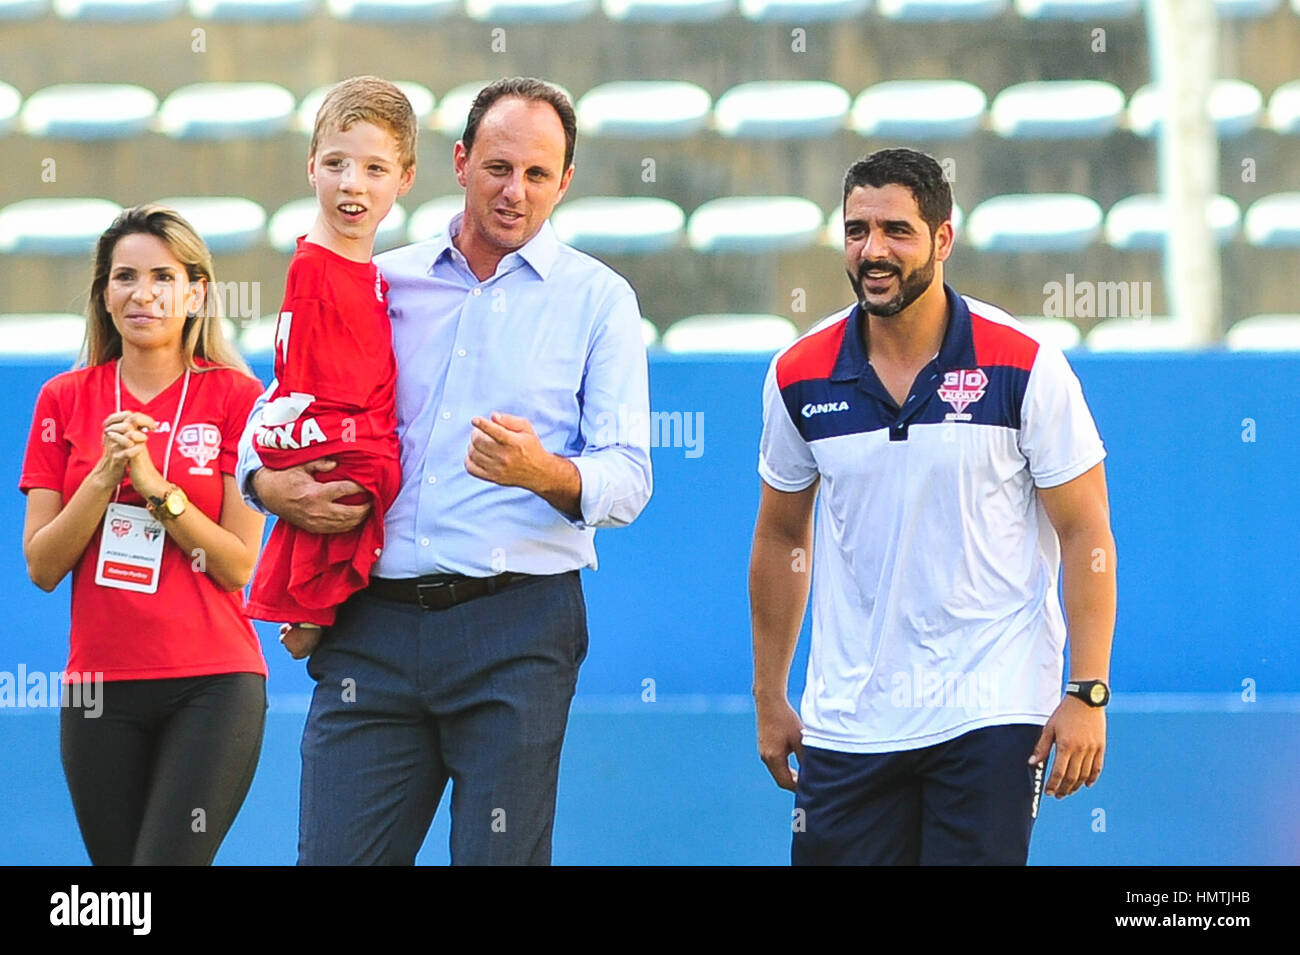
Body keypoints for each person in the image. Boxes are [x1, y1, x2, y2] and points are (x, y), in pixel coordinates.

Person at [238, 76, 652, 865]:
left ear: (564, 182)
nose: (514, 191)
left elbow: (629, 477)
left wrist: (544, 472)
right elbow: (278, 409)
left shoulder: (601, 301)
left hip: (517, 626)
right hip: (371, 626)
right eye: (498, 166)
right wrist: (265, 482)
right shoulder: (380, 279)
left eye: (537, 174)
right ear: (459, 162)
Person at [749, 148, 1117, 866]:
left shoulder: (1024, 361)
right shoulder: (798, 373)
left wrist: (1088, 690)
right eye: (857, 230)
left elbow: (1086, 531)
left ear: (943, 239)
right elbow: (780, 535)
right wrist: (770, 692)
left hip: (992, 706)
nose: (873, 251)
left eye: (896, 230)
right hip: (850, 717)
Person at [20, 203, 268, 866]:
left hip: (213, 682)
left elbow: (240, 563)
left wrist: (156, 489)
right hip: (100, 688)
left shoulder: (238, 397)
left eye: (163, 276)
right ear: (104, 292)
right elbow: (42, 565)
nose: (144, 292)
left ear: (196, 292)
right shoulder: (63, 399)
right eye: (125, 276)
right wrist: (103, 476)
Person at [244, 76, 414, 654]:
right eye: (337, 163)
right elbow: (312, 390)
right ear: (311, 165)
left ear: (405, 178)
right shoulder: (316, 272)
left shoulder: (378, 273)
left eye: (374, 169)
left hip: (345, 431)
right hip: (334, 433)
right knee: (357, 474)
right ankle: (307, 604)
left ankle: (306, 603)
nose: (352, 184)